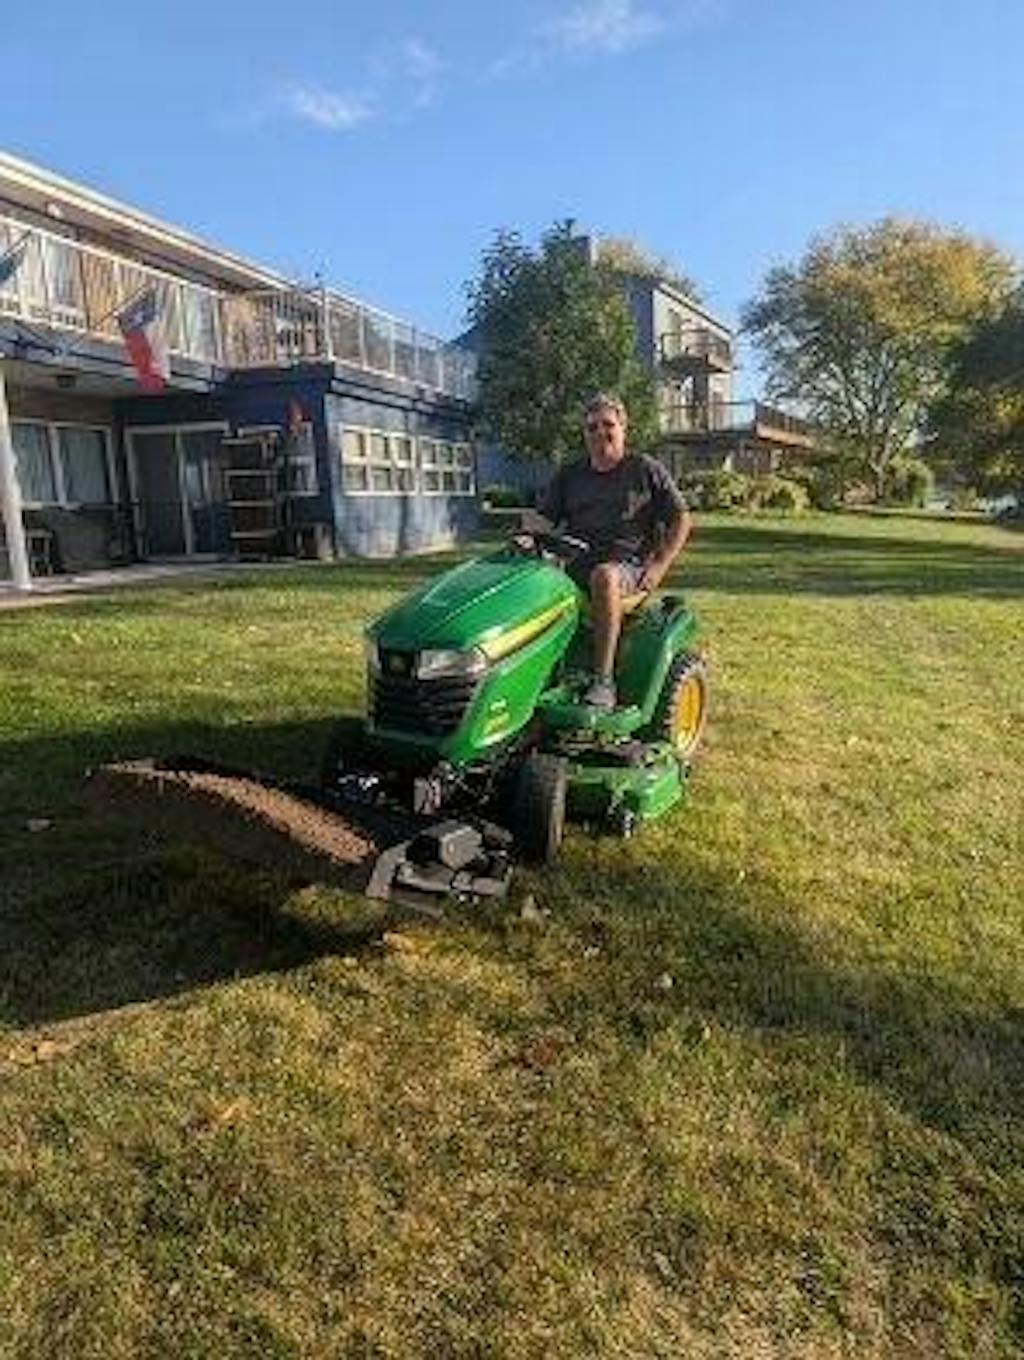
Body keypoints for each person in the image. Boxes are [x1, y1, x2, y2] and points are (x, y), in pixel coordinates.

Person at [523, 392, 691, 710]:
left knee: (604, 575)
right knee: (528, 579)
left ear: (623, 428)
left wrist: (660, 565)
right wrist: (525, 534)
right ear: (585, 435)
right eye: (592, 427)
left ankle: (603, 681)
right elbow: (543, 519)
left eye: (608, 424)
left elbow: (681, 518)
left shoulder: (643, 469)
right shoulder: (570, 474)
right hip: (575, 562)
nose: (600, 432)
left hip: (628, 566)